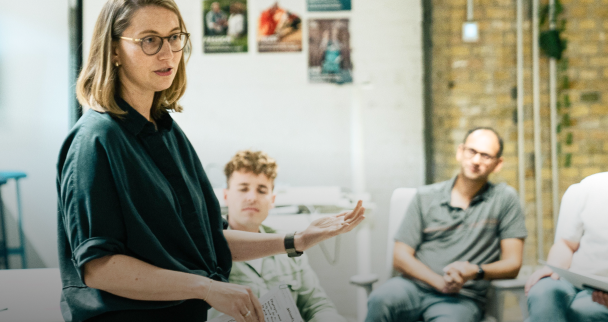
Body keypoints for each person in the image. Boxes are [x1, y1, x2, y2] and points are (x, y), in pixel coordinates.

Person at [57, 0, 365, 322]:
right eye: (149, 40)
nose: (167, 54)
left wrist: (297, 240)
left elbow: (209, 240)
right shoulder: (95, 140)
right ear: (114, 50)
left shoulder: (167, 132)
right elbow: (99, 268)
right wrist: (205, 287)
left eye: (174, 37)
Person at [366, 127, 527, 322]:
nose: (476, 160)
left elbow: (513, 264)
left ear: (498, 164)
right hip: (413, 286)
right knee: (380, 300)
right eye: (472, 151)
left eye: (485, 156)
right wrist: (438, 282)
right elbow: (400, 256)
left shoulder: (504, 199)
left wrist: (475, 271)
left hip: (462, 297)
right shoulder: (425, 197)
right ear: (460, 152)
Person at [209, 149, 347, 322]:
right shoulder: (208, 248)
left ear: (272, 200)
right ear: (226, 196)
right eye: (243, 189)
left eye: (261, 190)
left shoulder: (291, 248)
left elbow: (317, 305)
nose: (252, 197)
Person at [525, 171, 608, 321]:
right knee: (542, 291)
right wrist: (553, 267)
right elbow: (567, 244)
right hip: (575, 280)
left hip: (602, 291)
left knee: (585, 309)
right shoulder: (589, 187)